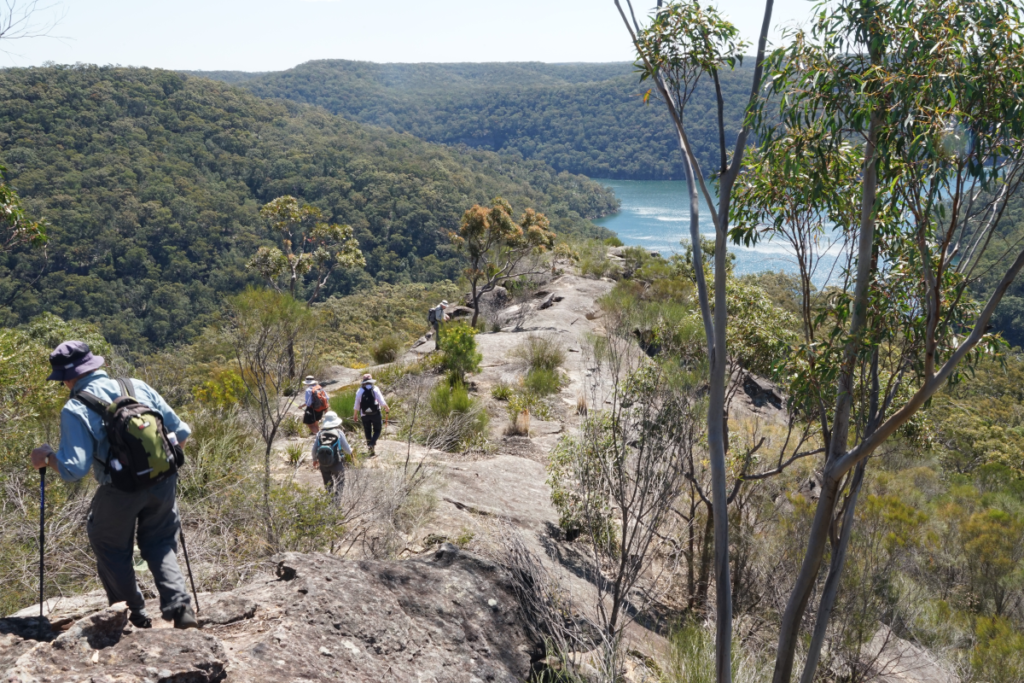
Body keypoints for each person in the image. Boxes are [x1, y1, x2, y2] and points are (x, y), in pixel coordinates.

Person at [29, 341, 197, 630]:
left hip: (119, 490)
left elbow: (73, 469)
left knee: (110, 546)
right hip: (163, 481)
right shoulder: (136, 386)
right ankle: (180, 606)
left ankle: (133, 616)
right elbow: (181, 432)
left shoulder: (76, 407)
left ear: (67, 378)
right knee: (159, 541)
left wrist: (46, 458)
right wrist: (158, 471)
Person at [310, 411, 351, 499]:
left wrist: (314, 460)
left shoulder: (320, 433)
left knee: (328, 483)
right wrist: (351, 452)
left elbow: (314, 449)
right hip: (337, 463)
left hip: (323, 463)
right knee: (340, 482)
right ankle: (337, 501)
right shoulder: (339, 432)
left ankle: (329, 501)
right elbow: (347, 450)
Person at [353, 373, 388, 456]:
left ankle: (371, 450)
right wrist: (387, 407)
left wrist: (355, 414)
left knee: (367, 431)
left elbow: (357, 404)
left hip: (364, 414)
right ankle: (372, 443)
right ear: (371, 381)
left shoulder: (360, 391)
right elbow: (381, 401)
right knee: (378, 430)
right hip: (376, 413)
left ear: (363, 382)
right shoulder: (375, 389)